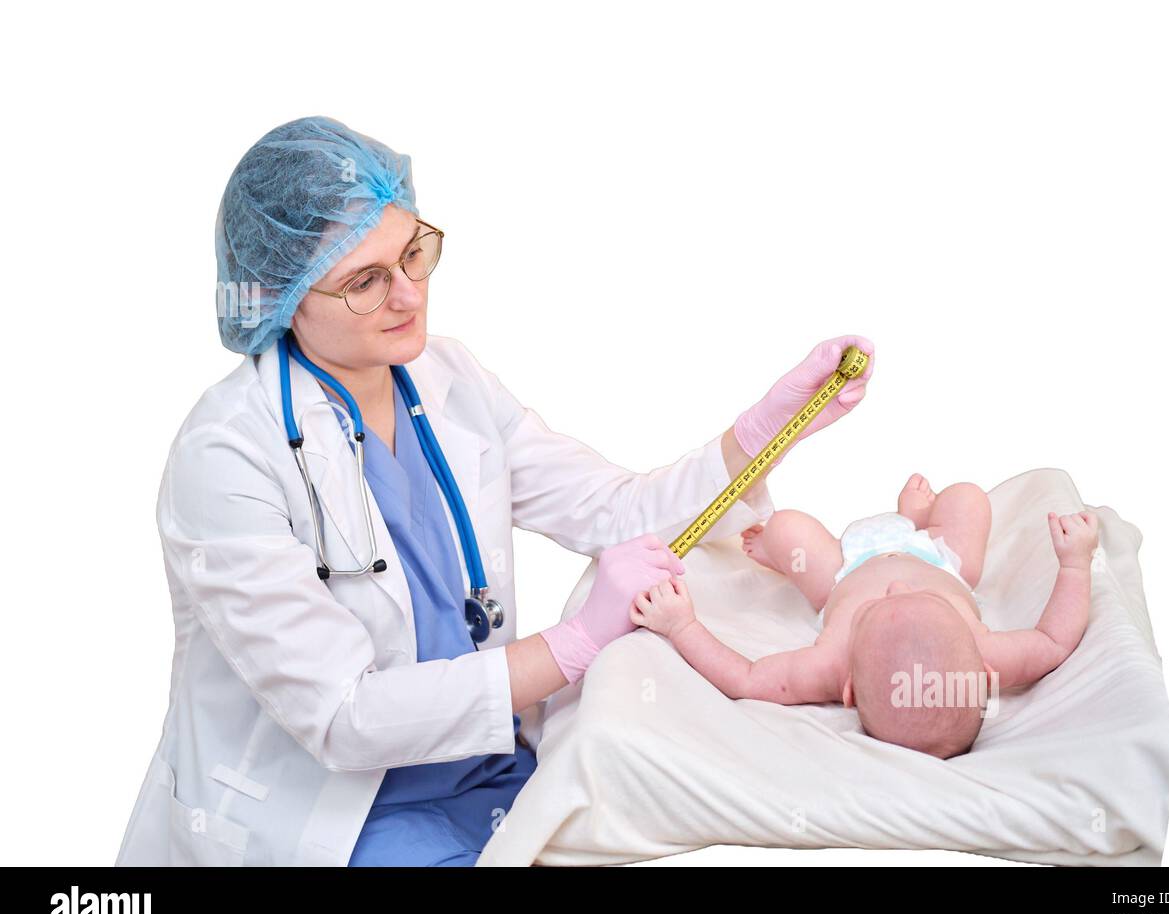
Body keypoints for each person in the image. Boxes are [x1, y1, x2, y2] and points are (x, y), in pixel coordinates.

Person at [115, 116, 873, 866]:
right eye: (365, 281)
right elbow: (344, 716)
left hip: (493, 769)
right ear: (280, 296)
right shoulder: (227, 456)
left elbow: (615, 513)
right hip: (337, 814)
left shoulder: (450, 380)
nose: (409, 295)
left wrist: (767, 428)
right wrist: (572, 644)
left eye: (413, 254)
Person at [631, 474, 1098, 759]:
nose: (896, 587)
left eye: (873, 611)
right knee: (969, 498)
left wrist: (682, 625)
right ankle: (919, 519)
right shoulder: (988, 654)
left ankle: (782, 553)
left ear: (848, 686)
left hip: (843, 569)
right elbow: (1054, 639)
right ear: (985, 670)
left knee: (786, 528)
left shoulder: (832, 663)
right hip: (941, 560)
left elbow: (747, 679)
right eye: (921, 600)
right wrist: (1076, 563)